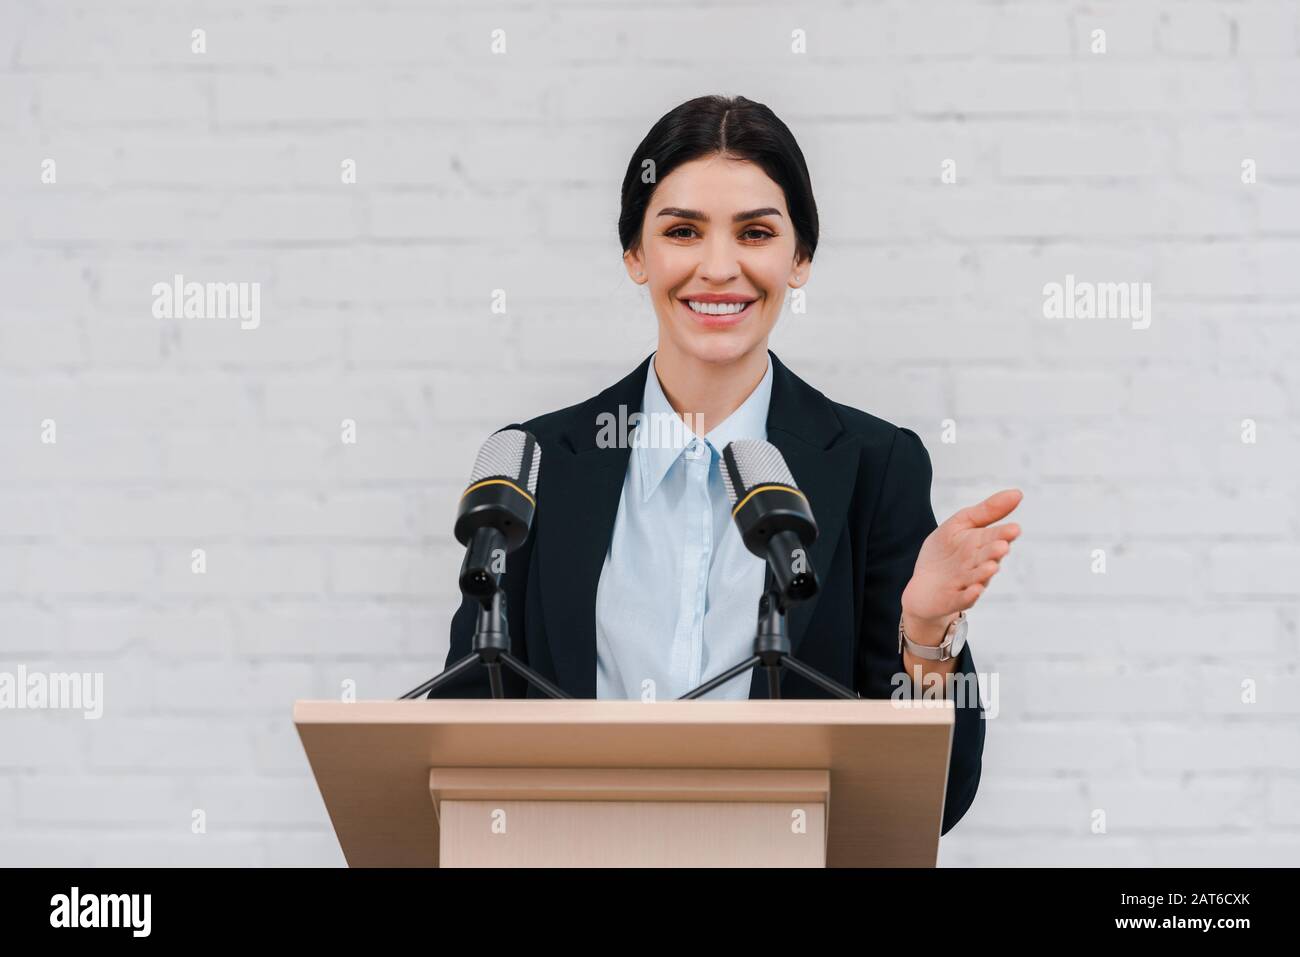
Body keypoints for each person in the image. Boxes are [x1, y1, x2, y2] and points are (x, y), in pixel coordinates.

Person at [429, 94, 1022, 835]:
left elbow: (938, 800)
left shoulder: (875, 467)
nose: (718, 268)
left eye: (755, 232)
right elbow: (462, 735)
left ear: (799, 258)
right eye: (682, 231)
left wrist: (927, 630)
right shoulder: (537, 464)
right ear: (635, 255)